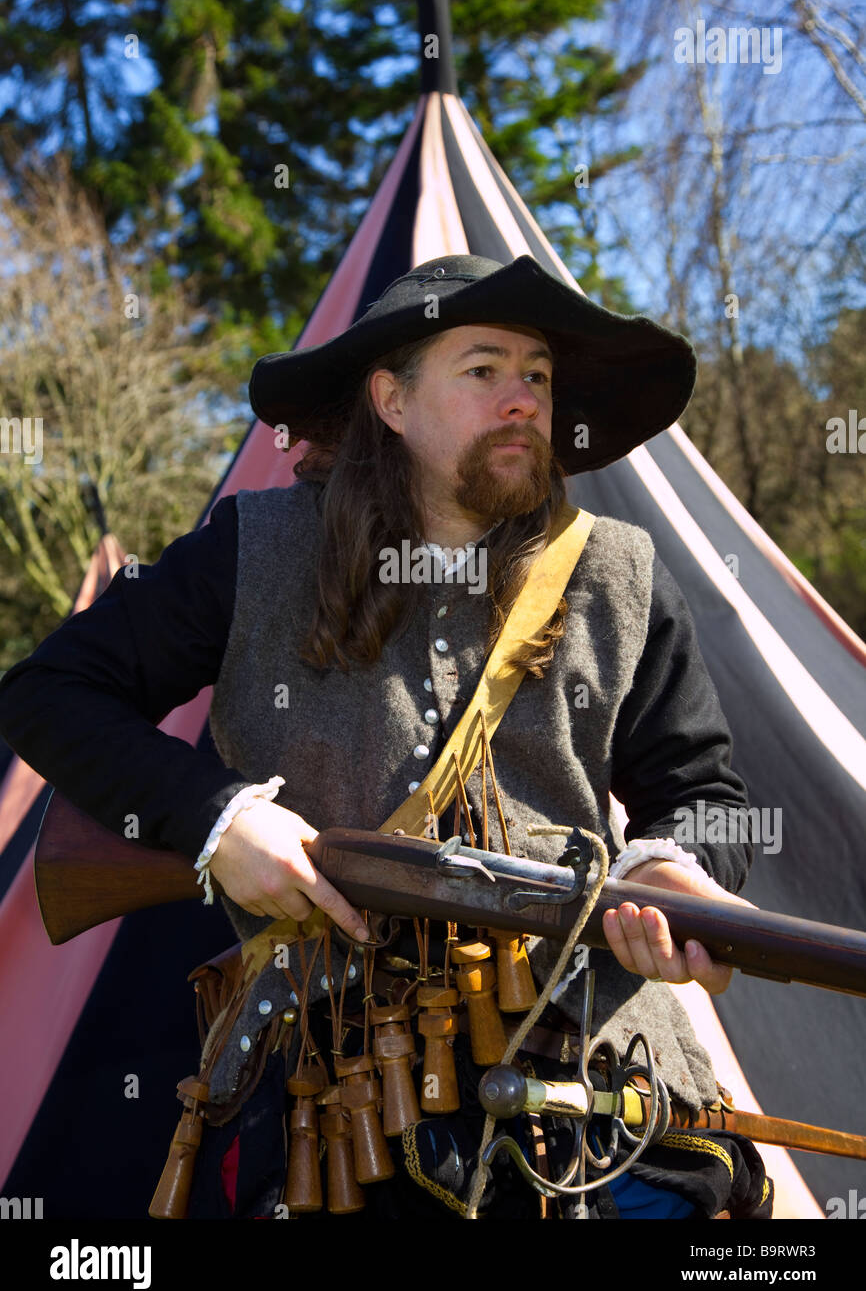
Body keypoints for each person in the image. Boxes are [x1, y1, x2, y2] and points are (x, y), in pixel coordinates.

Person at [0, 253, 771, 1220]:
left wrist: (677, 867)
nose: (523, 399)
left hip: (600, 1091)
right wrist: (217, 822)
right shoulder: (255, 551)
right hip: (338, 1106)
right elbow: (49, 692)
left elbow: (708, 797)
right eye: (483, 369)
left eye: (536, 375)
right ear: (392, 400)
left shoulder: (623, 573)